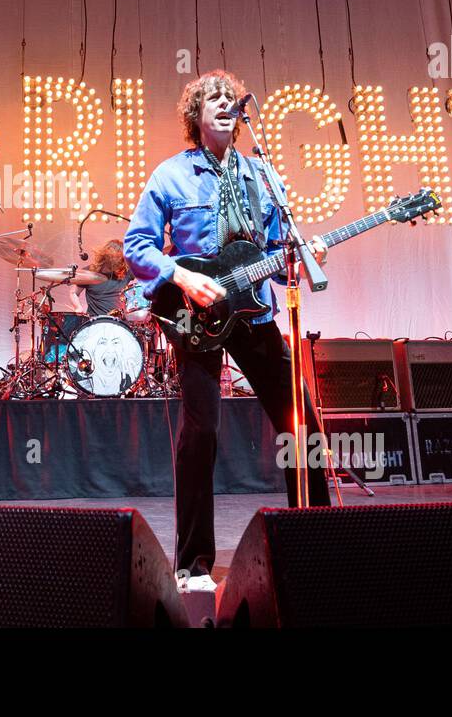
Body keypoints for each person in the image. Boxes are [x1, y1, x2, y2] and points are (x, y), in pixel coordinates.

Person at [124, 70, 332, 593]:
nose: (224, 105)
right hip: (198, 315)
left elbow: (279, 256)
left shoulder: (263, 176)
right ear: (196, 115)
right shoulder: (170, 175)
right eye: (211, 99)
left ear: (240, 116)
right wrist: (184, 276)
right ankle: (192, 565)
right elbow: (137, 247)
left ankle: (318, 535)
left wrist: (303, 258)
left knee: (300, 421)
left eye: (229, 99)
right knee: (201, 433)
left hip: (255, 312)